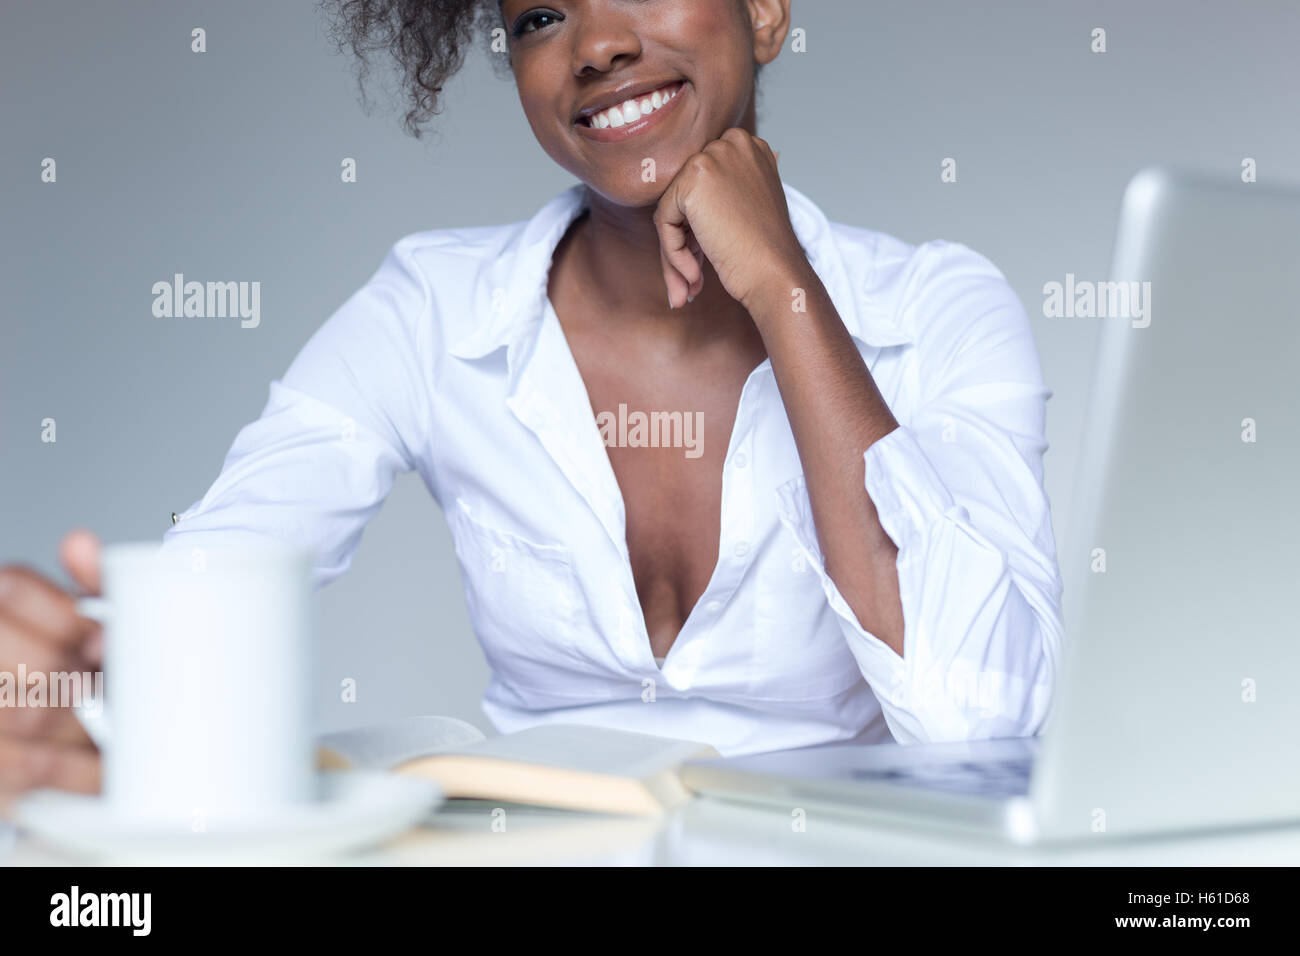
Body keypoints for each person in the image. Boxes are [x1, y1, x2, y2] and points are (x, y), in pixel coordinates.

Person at [0, 0, 1063, 809]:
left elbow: (980, 720)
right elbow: (231, 557)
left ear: (768, 11)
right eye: (541, 18)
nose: (593, 43)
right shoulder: (431, 312)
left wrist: (787, 292)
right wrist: (74, 664)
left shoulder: (931, 310)